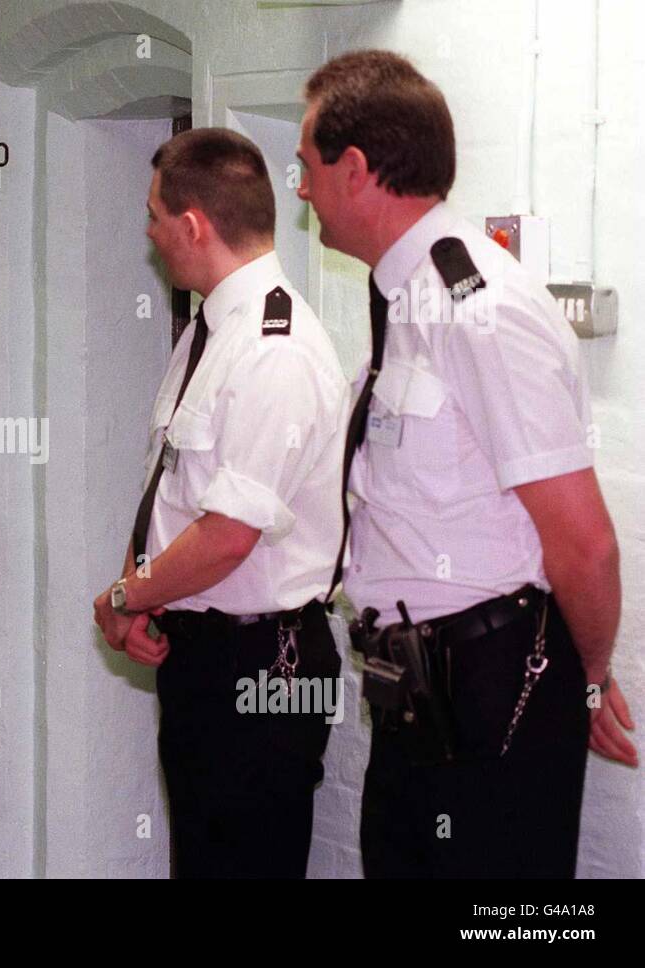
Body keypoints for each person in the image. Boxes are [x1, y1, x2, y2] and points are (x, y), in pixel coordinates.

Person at [297, 49, 637, 878]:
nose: (299, 189)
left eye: (305, 167)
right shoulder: (404, 300)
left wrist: (584, 678)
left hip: (497, 690)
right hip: (415, 696)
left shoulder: (479, 307)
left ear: (356, 169)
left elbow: (584, 541)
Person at [92, 128, 348, 877]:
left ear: (194, 224)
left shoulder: (274, 346)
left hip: (268, 662)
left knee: (246, 864)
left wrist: (122, 595)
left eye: (153, 215)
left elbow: (228, 536)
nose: (148, 231)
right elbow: (173, 483)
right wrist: (144, 595)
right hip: (207, 651)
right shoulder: (213, 327)